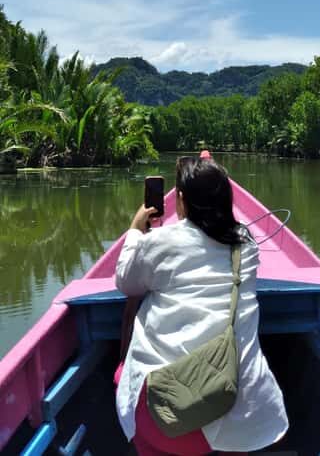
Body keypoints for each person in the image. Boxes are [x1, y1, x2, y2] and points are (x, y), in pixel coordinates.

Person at [115, 155, 288, 455]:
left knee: (123, 373)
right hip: (241, 416)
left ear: (180, 200)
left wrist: (135, 232)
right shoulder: (246, 245)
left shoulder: (160, 241)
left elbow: (126, 281)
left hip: (165, 421)